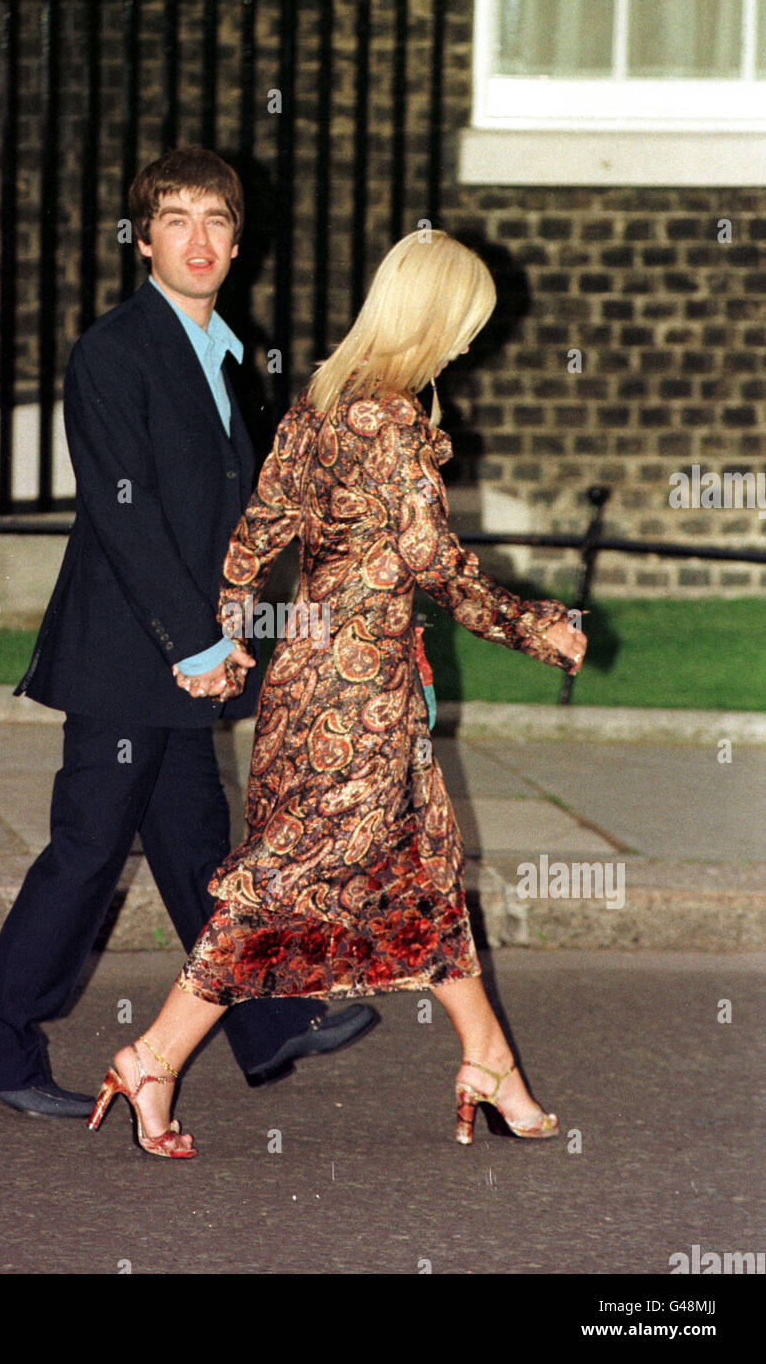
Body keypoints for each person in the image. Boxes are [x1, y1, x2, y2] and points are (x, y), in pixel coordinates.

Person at [86, 227, 588, 1156]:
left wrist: (225, 636)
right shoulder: (386, 423)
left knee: (423, 880)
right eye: (466, 322)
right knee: (282, 881)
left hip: (314, 682)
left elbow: (253, 535)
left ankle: (489, 1061)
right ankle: (152, 1056)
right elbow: (432, 560)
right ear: (433, 317)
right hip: (358, 701)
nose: (469, 342)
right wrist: (536, 626)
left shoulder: (323, 401)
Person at [0, 148, 375, 1117]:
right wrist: (196, 642)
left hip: (186, 650)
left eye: (216, 220)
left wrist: (242, 615)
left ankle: (266, 1020)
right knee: (88, 850)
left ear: (235, 240)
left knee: (193, 843)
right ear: (142, 241)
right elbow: (125, 516)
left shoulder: (223, 352)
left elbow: (223, 512)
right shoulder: (113, 351)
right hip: (126, 659)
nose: (198, 239)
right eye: (175, 219)